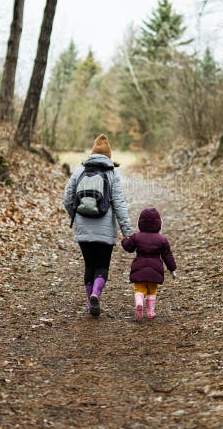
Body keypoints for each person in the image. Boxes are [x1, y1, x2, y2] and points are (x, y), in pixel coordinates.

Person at [63, 134, 132, 317]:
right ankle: (96, 294)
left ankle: (89, 302)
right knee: (102, 265)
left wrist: (76, 217)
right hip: (104, 229)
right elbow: (119, 203)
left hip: (83, 226)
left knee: (89, 265)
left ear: (92, 153)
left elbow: (67, 199)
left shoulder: (79, 170)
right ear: (109, 156)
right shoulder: (112, 173)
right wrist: (128, 232)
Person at [121, 207, 177, 321]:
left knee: (139, 288)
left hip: (139, 267)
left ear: (140, 222)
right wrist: (172, 269)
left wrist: (124, 240)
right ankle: (150, 311)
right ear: (159, 223)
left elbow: (129, 248)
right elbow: (167, 255)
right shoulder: (162, 239)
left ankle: (139, 303)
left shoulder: (136, 236)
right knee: (152, 290)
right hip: (155, 270)